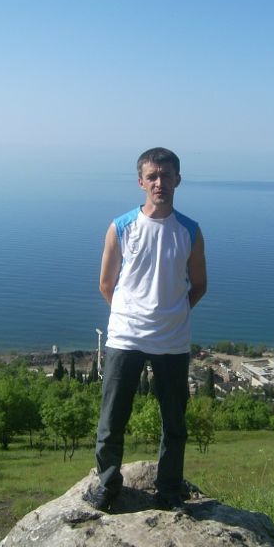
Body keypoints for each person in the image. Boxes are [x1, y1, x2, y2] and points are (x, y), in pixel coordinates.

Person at [84, 147, 207, 513]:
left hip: (172, 340)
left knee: (174, 423)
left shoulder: (190, 231)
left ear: (178, 180)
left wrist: (172, 315)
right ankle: (108, 486)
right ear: (140, 182)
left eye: (166, 175)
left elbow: (199, 284)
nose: (159, 182)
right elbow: (106, 284)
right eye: (152, 176)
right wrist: (130, 316)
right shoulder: (121, 227)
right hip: (126, 337)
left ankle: (168, 490)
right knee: (112, 420)